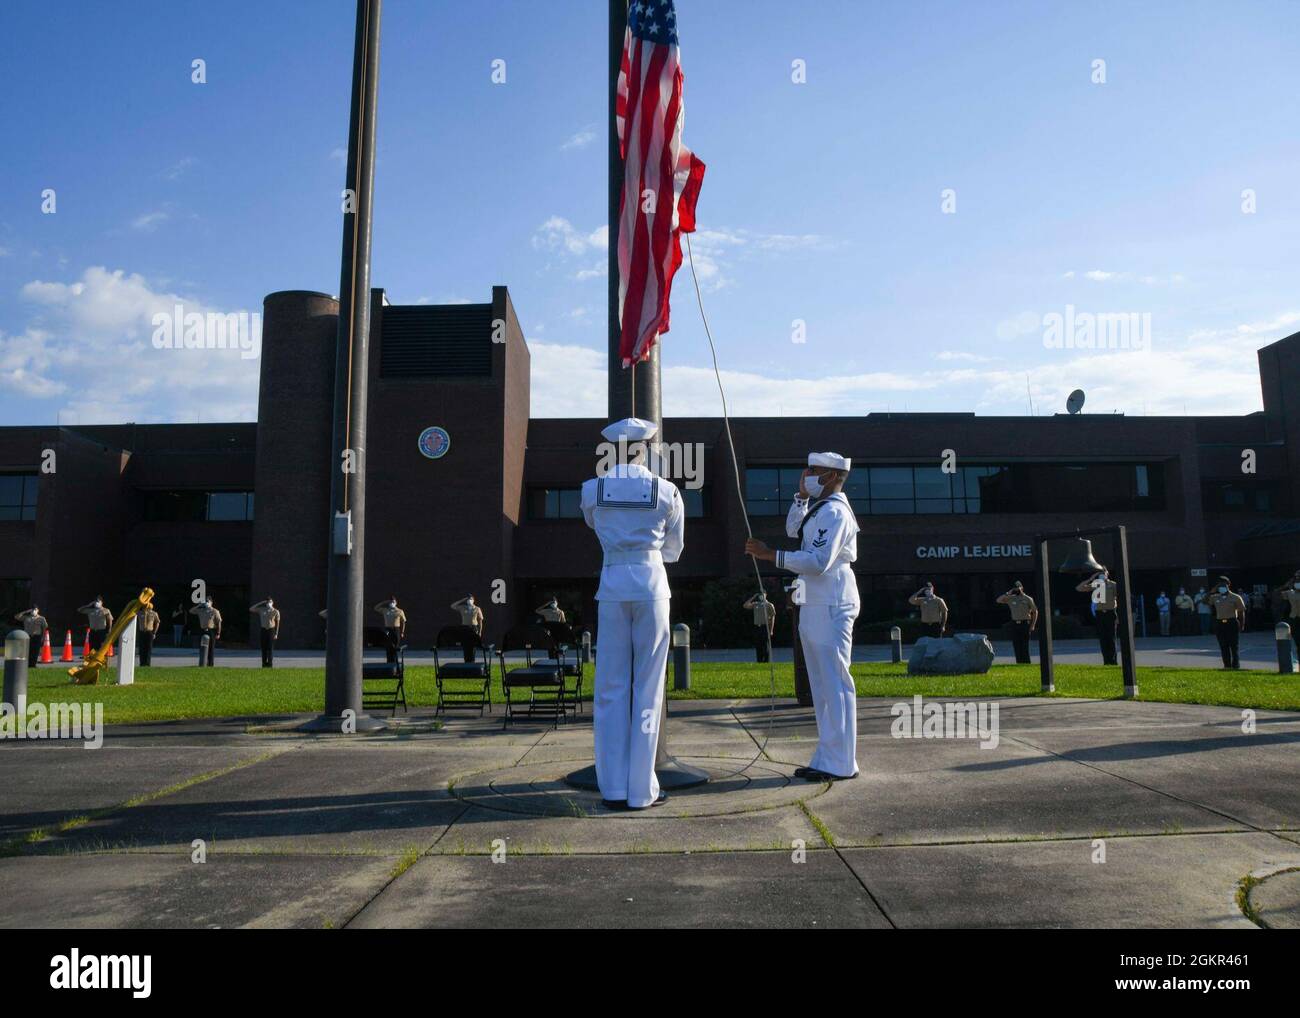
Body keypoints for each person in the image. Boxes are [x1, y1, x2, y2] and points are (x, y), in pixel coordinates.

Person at [581, 417, 684, 811]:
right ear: (646, 448)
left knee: (610, 687)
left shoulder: (592, 490)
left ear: (611, 449)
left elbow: (594, 525)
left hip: (611, 585)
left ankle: (613, 789)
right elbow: (674, 548)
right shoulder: (667, 490)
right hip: (652, 585)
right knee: (648, 687)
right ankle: (643, 790)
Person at [746, 450, 860, 783]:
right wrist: (800, 496)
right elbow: (794, 526)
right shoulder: (820, 508)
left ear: (834, 476)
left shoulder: (836, 513)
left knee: (835, 682)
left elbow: (819, 560)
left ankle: (841, 761)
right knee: (821, 685)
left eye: (816, 471)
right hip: (814, 597)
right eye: (808, 469)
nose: (808, 474)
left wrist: (771, 556)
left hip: (831, 596)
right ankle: (828, 756)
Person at [1076, 568, 1119, 665]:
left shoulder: (1113, 585)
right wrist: (1091, 578)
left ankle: (1113, 661)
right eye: (1100, 573)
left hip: (1110, 612)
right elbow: (1079, 588)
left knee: (1111, 638)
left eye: (1104, 573)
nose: (1102, 574)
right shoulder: (1096, 585)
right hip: (1100, 613)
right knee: (1103, 638)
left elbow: (1119, 598)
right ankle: (1106, 661)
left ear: (1107, 573)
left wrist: (1118, 616)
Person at [1208, 576, 1246, 669]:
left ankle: (1236, 665)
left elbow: (1241, 612)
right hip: (1220, 623)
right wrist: (1212, 591)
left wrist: (1242, 625)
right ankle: (1227, 665)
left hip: (1232, 622)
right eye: (1219, 584)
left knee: (1234, 645)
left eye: (1223, 584)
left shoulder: (1236, 597)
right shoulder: (1215, 597)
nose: (1221, 586)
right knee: (1223, 645)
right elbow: (1204, 601)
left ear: (1228, 585)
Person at [995, 581, 1037, 664]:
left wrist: (1033, 625)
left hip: (1025, 623)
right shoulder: (1011, 598)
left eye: (1018, 588)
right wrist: (1008, 593)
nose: (1017, 590)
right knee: (1016, 645)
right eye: (1015, 588)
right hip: (1015, 624)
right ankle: (1019, 662)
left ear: (1022, 588)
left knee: (1025, 645)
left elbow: (1035, 611)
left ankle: (1026, 662)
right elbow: (998, 600)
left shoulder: (1028, 599)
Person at [742, 591, 776, 663]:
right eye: (760, 595)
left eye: (762, 594)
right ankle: (759, 661)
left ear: (766, 595)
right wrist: (753, 597)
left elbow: (773, 618)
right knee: (758, 645)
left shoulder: (769, 605)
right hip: (757, 627)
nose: (761, 596)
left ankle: (766, 661)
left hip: (765, 627)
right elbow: (745, 605)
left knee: (765, 645)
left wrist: (771, 630)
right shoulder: (756, 604)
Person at [1276, 569, 1300, 665]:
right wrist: (1286, 586)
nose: (1298, 580)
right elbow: (1276, 594)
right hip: (1295, 619)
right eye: (1296, 578)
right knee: (1298, 643)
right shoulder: (1290, 593)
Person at [190, 596, 222, 666]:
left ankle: (210, 664)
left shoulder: (215, 611)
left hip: (211, 631)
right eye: (205, 601)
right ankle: (202, 663)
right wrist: (199, 605)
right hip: (202, 630)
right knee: (202, 647)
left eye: (208, 601)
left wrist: (218, 633)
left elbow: (219, 622)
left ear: (211, 602)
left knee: (211, 649)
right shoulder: (201, 610)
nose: (206, 603)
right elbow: (191, 611)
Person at [249, 598, 281, 668]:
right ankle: (264, 663)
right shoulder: (262, 609)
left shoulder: (276, 611)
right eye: (267, 602)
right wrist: (261, 602)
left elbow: (278, 623)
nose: (268, 603)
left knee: (270, 648)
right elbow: (251, 609)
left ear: (272, 602)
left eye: (270, 602)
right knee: (264, 648)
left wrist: (276, 634)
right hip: (263, 630)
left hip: (271, 630)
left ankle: (270, 664)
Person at [450, 595, 482, 662]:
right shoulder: (463, 607)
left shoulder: (477, 608)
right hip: (465, 628)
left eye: (470, 599)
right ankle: (466, 662)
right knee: (466, 646)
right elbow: (452, 606)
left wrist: (480, 631)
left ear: (473, 600)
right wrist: (462, 600)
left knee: (473, 646)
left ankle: (472, 661)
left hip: (474, 628)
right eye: (468, 599)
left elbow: (480, 620)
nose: (469, 600)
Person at [374, 597, 407, 663]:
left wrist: (402, 632)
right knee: (388, 647)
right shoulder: (385, 610)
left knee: (395, 648)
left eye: (393, 602)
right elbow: (376, 608)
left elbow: (404, 622)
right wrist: (385, 602)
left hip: (396, 630)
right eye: (390, 602)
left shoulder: (400, 611)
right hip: (388, 630)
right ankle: (389, 663)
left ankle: (395, 663)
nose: (392, 603)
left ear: (396, 603)